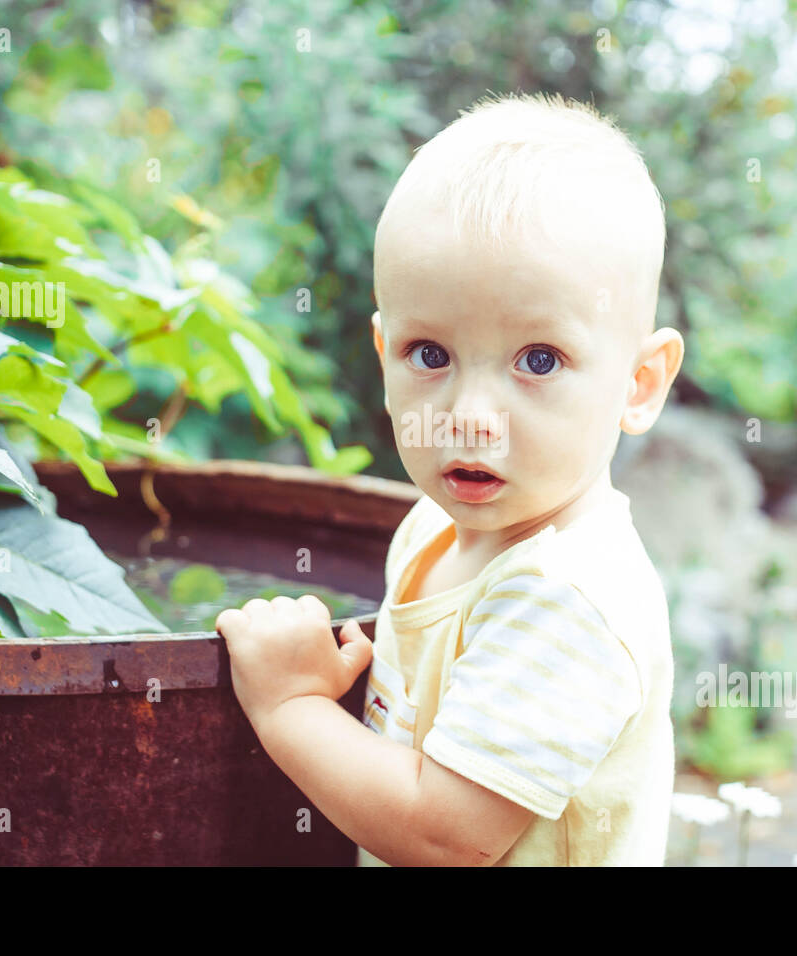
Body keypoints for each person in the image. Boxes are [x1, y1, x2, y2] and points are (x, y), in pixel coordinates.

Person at [217, 91, 683, 866]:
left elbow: (444, 834)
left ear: (638, 383)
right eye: (429, 354)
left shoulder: (566, 596)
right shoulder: (433, 527)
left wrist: (292, 704)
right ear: (384, 353)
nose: (469, 416)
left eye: (539, 361)